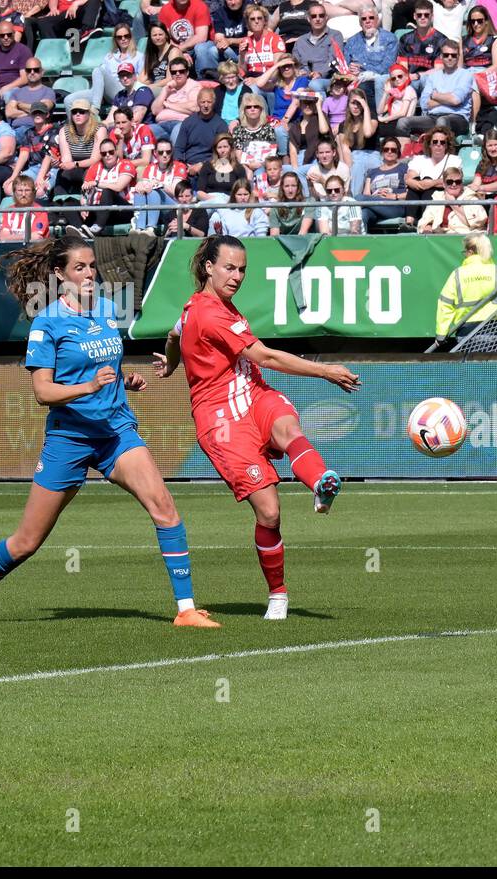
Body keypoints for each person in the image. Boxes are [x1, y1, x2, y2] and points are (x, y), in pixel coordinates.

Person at [0, 236, 219, 629]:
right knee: (27, 541)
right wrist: (89, 387)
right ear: (58, 274)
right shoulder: (47, 322)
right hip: (69, 438)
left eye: (92, 267)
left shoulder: (105, 310)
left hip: (115, 431)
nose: (88, 274)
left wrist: (123, 381)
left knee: (165, 509)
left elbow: (105, 368)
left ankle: (186, 610)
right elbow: (42, 392)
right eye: (79, 268)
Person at [153, 236, 361, 621]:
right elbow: (263, 354)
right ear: (208, 268)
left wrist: (169, 365)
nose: (237, 276)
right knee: (269, 512)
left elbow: (172, 336)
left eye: (243, 269)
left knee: (287, 426)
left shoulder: (209, 308)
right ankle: (278, 595)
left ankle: (319, 483)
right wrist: (325, 371)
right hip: (221, 421)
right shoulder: (210, 314)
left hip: (254, 393)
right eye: (229, 268)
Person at [433, 233, 497, 340]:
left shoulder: (457, 274)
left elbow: (445, 304)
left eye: (464, 252)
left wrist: (441, 334)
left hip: (466, 332)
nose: (464, 255)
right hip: (496, 330)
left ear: (470, 252)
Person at [406, 41, 476, 136]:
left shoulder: (466, 75)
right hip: (433, 117)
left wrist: (435, 96)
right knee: (404, 122)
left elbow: (456, 100)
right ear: (441, 56)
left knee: (442, 121)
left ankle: (436, 144)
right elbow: (424, 104)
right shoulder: (433, 76)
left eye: (453, 55)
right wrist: (448, 98)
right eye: (446, 55)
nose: (450, 58)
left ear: (458, 57)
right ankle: (406, 149)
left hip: (457, 118)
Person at [291, 2, 347, 95]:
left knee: (314, 84)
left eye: (321, 16)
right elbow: (295, 63)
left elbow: (333, 60)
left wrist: (320, 73)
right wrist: (301, 72)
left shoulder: (335, 35)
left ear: (326, 18)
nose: (317, 19)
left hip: (328, 79)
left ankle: (323, 109)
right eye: (314, 16)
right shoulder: (301, 41)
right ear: (309, 19)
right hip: (305, 78)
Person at [91, 24, 144, 110]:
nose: (123, 39)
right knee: (69, 100)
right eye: (119, 37)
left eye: (126, 36)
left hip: (125, 90)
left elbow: (142, 79)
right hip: (106, 92)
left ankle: (95, 110)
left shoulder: (139, 56)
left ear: (130, 37)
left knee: (98, 70)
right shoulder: (109, 56)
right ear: (115, 40)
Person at [361, 135, 410, 229]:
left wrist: (395, 196)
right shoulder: (372, 172)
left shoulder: (404, 168)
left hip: (395, 206)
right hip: (375, 205)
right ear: (382, 151)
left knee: (358, 198)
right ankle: (359, 240)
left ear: (398, 152)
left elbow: (410, 194)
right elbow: (366, 195)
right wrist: (375, 196)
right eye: (386, 149)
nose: (390, 152)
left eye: (393, 150)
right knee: (364, 213)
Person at [416, 164, 484, 232]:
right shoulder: (438, 197)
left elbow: (477, 223)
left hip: (463, 236)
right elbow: (426, 218)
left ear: (462, 184)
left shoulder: (471, 197)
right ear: (444, 184)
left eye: (457, 182)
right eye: (449, 182)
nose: (454, 185)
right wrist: (428, 226)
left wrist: (453, 204)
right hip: (440, 236)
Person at [5, 58, 55, 132]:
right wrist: (34, 112)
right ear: (25, 72)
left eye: (36, 70)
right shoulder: (16, 92)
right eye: (29, 70)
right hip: (15, 130)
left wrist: (21, 105)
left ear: (42, 72)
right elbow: (9, 113)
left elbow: (43, 109)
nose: (32, 72)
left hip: (36, 130)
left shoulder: (48, 91)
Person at [0, 173, 49, 239]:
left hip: (34, 248)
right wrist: (25, 236)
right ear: (14, 192)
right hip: (12, 248)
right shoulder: (9, 211)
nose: (23, 194)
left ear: (33, 192)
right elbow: (3, 237)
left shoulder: (40, 211)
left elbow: (36, 237)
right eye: (20, 191)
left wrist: (13, 237)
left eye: (27, 190)